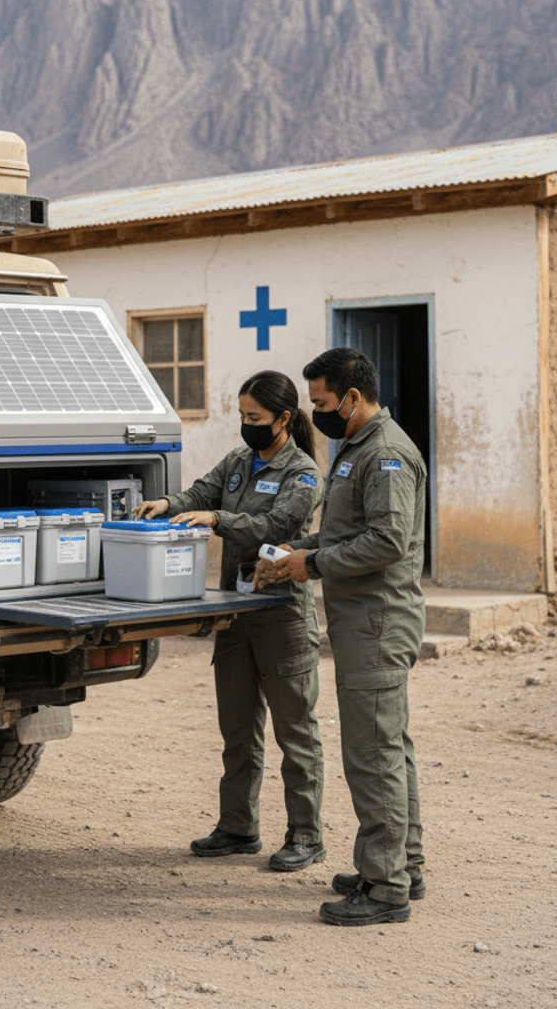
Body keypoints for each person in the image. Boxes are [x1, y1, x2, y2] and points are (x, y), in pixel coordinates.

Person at [135, 370, 326, 872]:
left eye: (255, 418)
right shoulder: (239, 461)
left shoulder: (302, 473)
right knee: (237, 727)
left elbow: (276, 525)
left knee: (295, 732)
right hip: (235, 612)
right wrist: (168, 505)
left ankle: (305, 835)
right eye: (242, 416)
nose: (247, 425)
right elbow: (202, 492)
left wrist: (219, 520)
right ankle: (238, 827)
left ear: (283, 419)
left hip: (281, 612)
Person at [264, 347, 427, 927]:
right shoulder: (358, 447)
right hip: (366, 619)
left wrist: (315, 565)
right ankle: (401, 863)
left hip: (376, 623)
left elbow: (388, 541)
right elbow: (351, 531)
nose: (319, 414)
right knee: (389, 747)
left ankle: (385, 890)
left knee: (373, 754)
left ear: (353, 398)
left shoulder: (383, 453)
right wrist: (304, 552)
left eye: (323, 403)